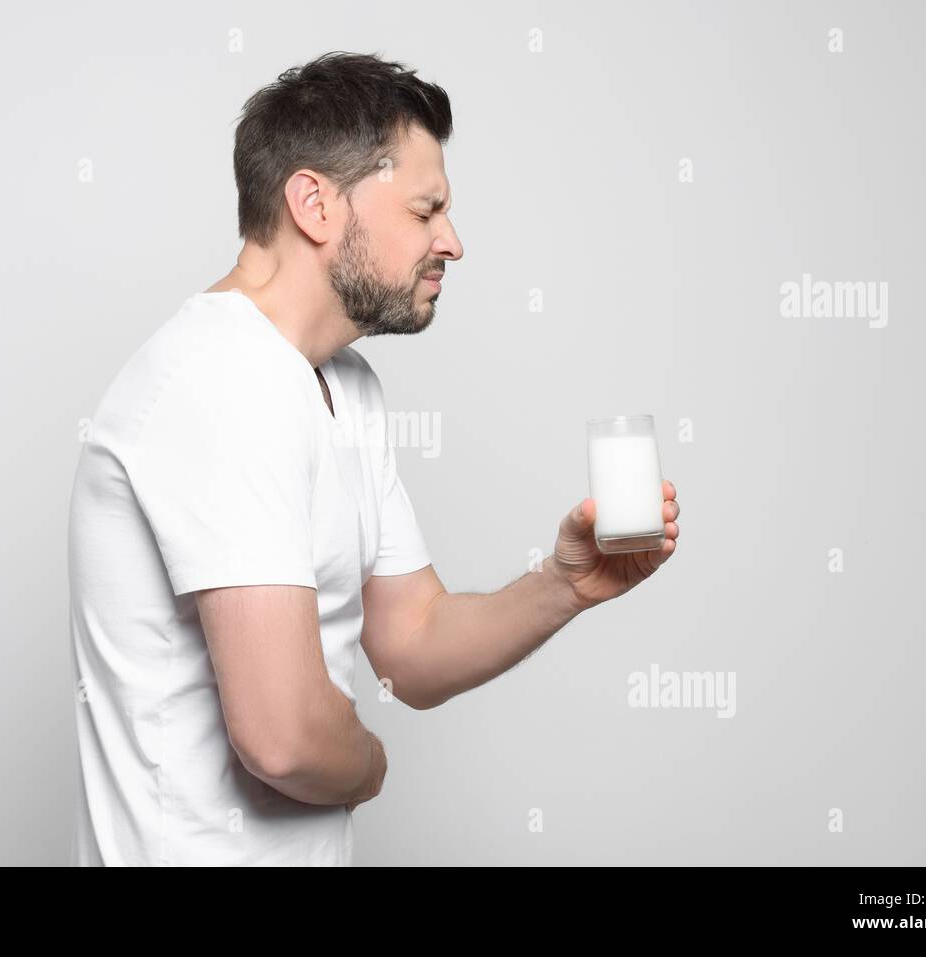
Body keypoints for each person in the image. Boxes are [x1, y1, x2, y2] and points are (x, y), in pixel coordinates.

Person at [68, 51, 681, 866]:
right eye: (426, 210)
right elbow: (283, 738)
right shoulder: (222, 380)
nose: (452, 242)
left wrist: (564, 585)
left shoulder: (340, 383)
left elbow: (414, 643)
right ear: (315, 203)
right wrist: (373, 766)